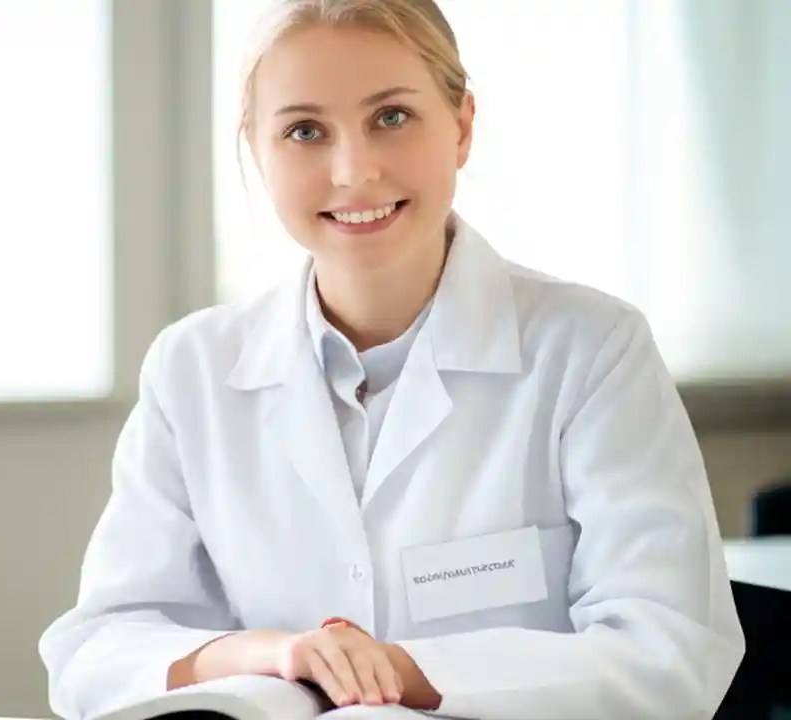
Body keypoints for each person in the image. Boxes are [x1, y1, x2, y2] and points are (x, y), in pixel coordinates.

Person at [38, 1, 744, 718]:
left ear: (463, 126)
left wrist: (398, 673)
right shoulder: (192, 368)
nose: (354, 172)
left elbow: (670, 649)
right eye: (304, 131)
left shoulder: (591, 349)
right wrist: (274, 654)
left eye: (392, 117)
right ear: (257, 149)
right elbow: (96, 652)